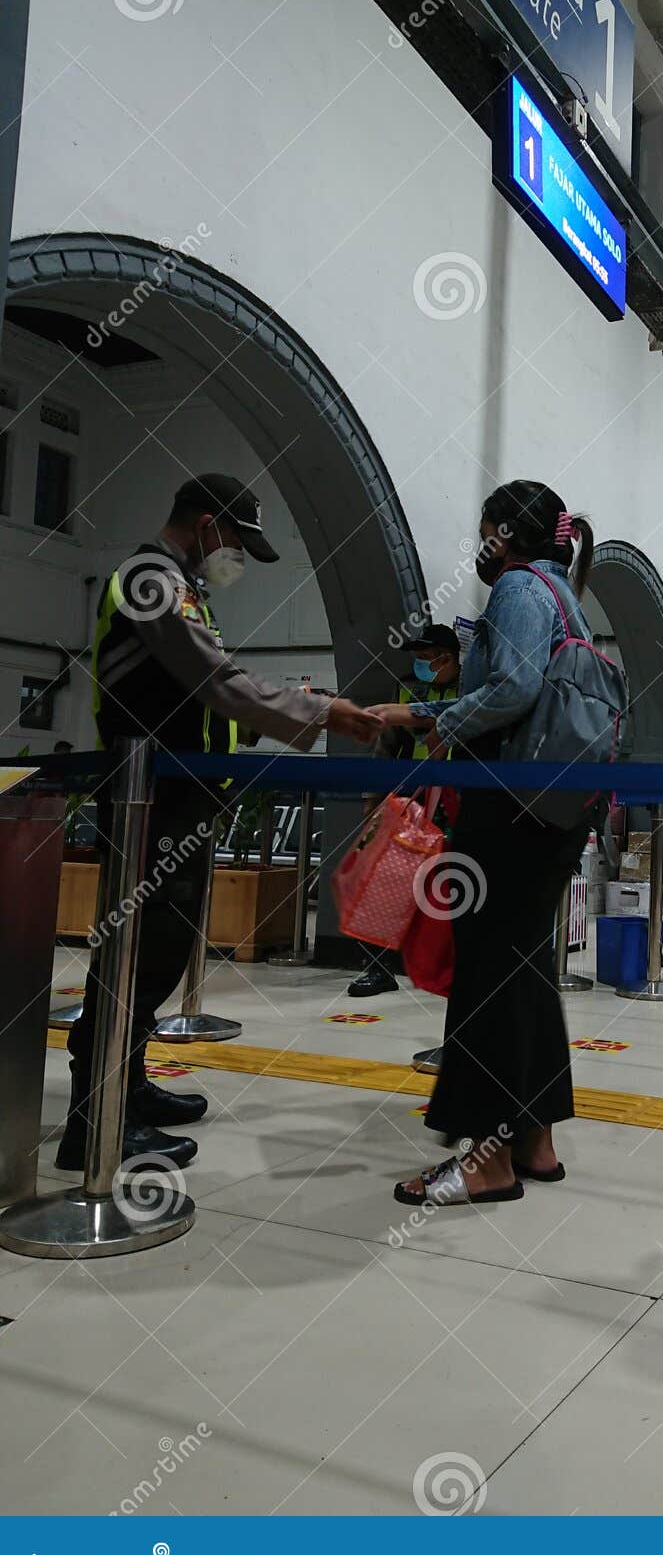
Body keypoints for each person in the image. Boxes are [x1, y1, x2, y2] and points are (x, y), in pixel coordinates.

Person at [57, 473, 381, 1171]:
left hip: (181, 799)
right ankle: (95, 1121)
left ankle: (128, 1088)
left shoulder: (182, 586)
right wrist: (322, 710)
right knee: (136, 957)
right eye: (235, 538)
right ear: (207, 525)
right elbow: (218, 682)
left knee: (161, 951)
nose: (236, 554)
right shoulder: (149, 579)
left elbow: (216, 687)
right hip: (148, 799)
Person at [372, 481, 598, 1207]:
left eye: (484, 531)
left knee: (488, 973)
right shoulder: (563, 592)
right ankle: (534, 1139)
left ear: (503, 533)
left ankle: (487, 1159)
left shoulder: (517, 591)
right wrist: (418, 710)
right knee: (525, 970)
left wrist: (443, 723)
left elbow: (512, 689)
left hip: (507, 807)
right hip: (550, 810)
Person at [345, 624, 460, 1008]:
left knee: (452, 886)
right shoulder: (409, 690)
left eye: (431, 659)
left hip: (458, 801)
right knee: (385, 880)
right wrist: (372, 800)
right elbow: (385, 748)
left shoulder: (474, 688)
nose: (424, 666)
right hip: (410, 799)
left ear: (451, 657)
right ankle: (378, 967)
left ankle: (447, 965)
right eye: (419, 659)